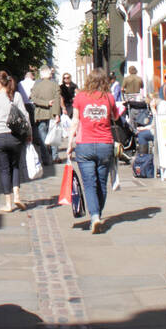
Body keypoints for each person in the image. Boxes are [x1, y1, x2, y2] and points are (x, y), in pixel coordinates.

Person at [66, 68, 117, 234]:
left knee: (89, 183)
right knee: (101, 183)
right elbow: (115, 117)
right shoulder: (109, 97)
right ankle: (97, 215)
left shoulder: (80, 97)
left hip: (85, 145)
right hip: (105, 145)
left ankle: (95, 217)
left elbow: (75, 121)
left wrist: (69, 143)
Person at [0, 70, 28, 212]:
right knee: (15, 166)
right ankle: (17, 196)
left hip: (0, 137)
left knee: (4, 169)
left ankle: (8, 204)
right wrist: (30, 134)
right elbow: (25, 116)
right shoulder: (16, 96)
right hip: (16, 137)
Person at [30, 66, 61, 166]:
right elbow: (57, 101)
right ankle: (55, 156)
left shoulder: (36, 85)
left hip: (40, 114)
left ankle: (45, 159)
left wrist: (45, 103)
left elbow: (33, 99)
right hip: (52, 113)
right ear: (49, 74)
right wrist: (57, 115)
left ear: (41, 75)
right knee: (54, 136)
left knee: (42, 139)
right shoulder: (55, 85)